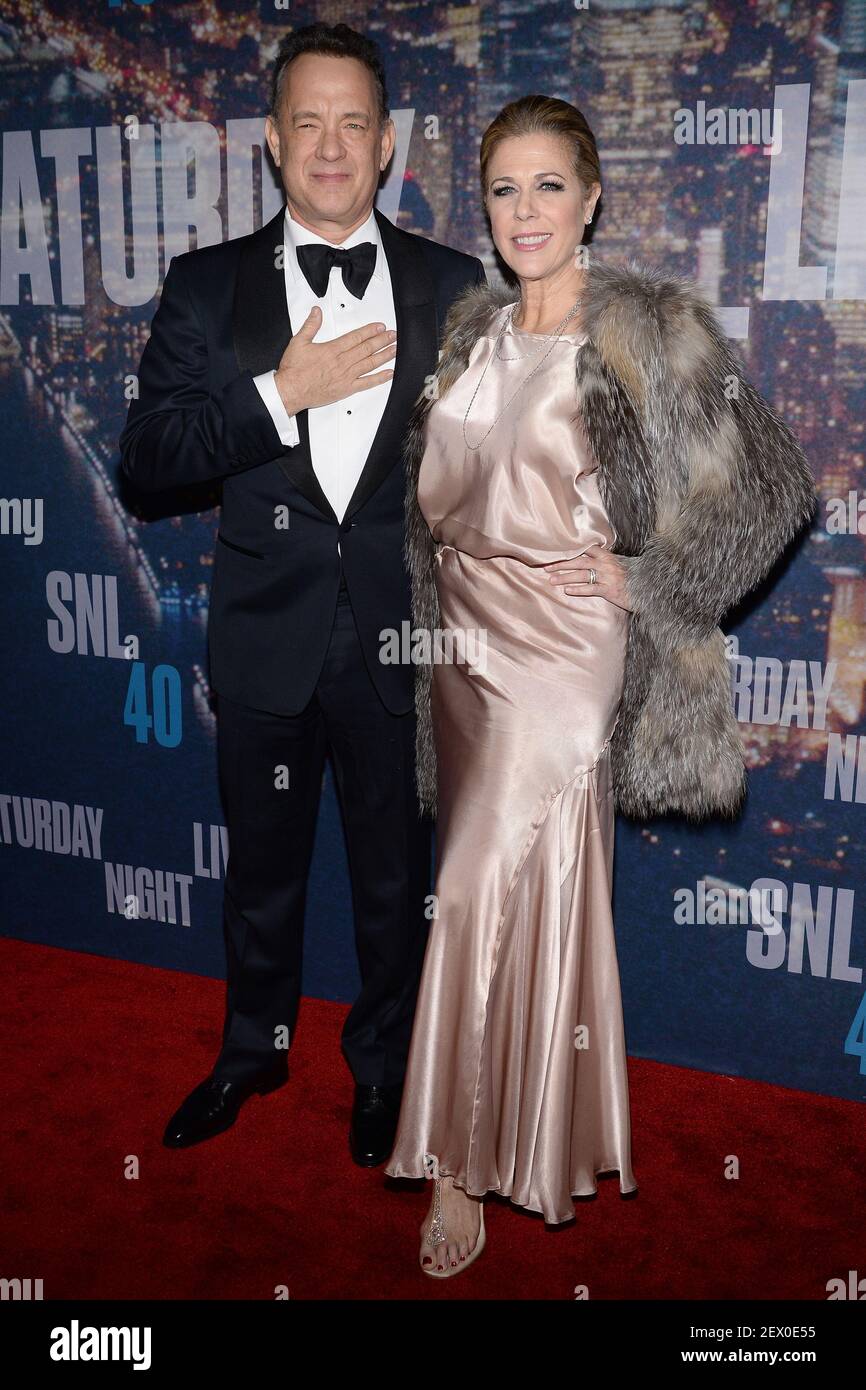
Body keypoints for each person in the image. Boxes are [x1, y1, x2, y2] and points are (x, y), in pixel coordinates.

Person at [384, 95, 816, 1275]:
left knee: (476, 888)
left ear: (591, 197)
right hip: (463, 655)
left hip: (564, 658)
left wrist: (652, 577)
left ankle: (458, 1164)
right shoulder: (469, 332)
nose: (525, 212)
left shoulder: (649, 331)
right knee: (485, 887)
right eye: (503, 190)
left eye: (547, 187)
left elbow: (775, 487)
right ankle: (520, 1128)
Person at [119, 23, 484, 1164]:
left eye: (353, 123)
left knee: (393, 885)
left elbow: (488, 469)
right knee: (261, 877)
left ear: (387, 145)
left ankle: (383, 1072)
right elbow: (148, 459)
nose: (331, 145)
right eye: (307, 122)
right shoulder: (204, 286)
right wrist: (277, 393)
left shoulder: (452, 283)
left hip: (395, 644)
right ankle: (249, 1050)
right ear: (273, 142)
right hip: (265, 640)